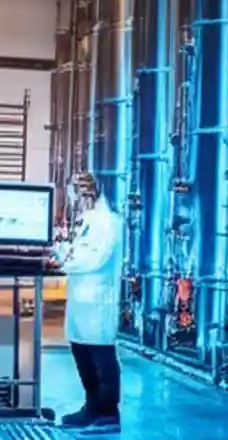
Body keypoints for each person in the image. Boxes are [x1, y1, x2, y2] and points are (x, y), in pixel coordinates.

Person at [48, 172, 123, 433]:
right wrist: (58, 253)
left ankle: (107, 414)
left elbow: (94, 259)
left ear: (86, 194)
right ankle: (91, 408)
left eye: (75, 197)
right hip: (81, 301)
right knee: (82, 353)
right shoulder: (87, 221)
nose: (73, 203)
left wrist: (63, 264)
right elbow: (75, 253)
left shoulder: (108, 222)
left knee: (101, 357)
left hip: (98, 302)